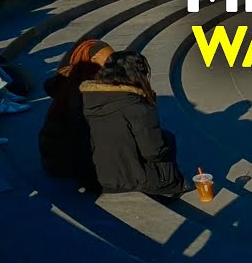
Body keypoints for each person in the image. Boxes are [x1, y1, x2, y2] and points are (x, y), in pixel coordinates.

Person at [82, 51, 188, 198]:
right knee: (167, 138)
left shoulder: (86, 99)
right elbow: (153, 152)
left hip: (94, 177)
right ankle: (167, 188)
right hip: (132, 181)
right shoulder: (138, 107)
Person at [40, 39, 114, 184]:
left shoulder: (69, 78)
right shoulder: (80, 90)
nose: (113, 64)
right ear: (92, 60)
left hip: (53, 157)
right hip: (68, 160)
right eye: (108, 60)